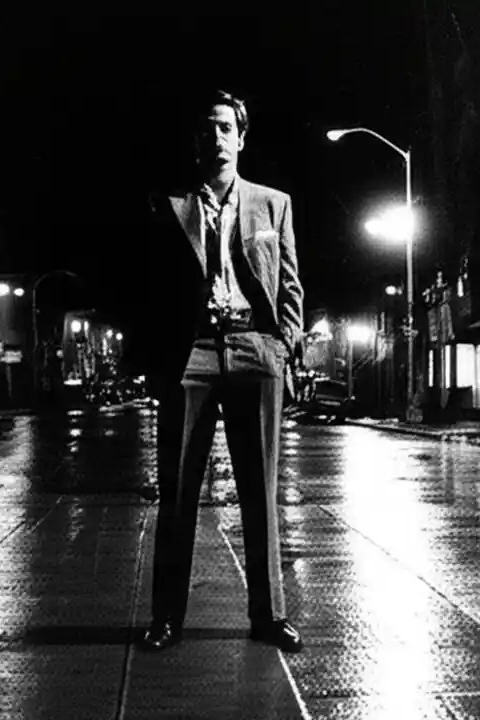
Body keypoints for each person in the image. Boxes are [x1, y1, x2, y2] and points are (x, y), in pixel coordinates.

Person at [134, 89, 305, 653]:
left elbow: (289, 281)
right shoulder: (169, 205)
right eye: (207, 129)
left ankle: (269, 616)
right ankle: (166, 618)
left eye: (226, 128)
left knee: (261, 490)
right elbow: (152, 288)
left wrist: (286, 339)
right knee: (177, 492)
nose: (217, 138)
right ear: (195, 140)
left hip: (256, 350)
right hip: (194, 354)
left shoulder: (272, 203)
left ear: (241, 137)